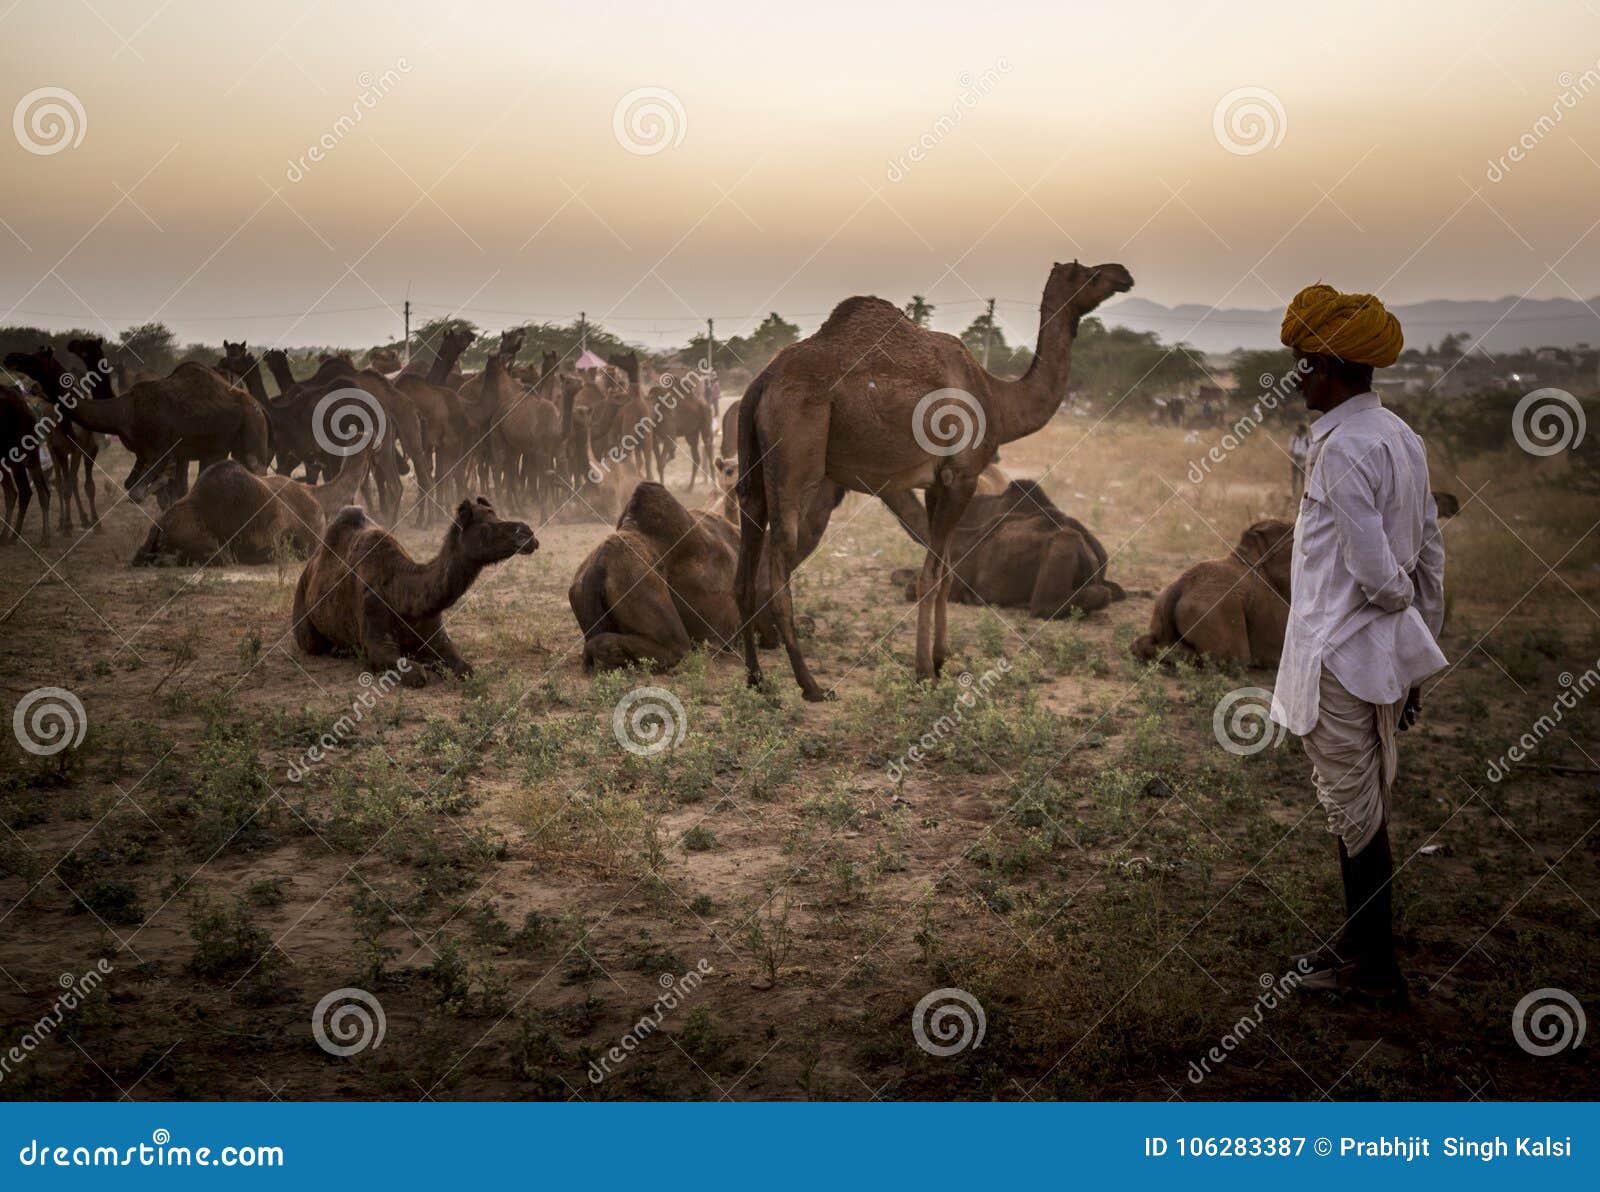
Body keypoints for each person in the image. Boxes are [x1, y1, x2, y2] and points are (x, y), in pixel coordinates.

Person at [1270, 283, 1446, 1006]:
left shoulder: (1341, 448)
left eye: (1306, 364)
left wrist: (1397, 600)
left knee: (1356, 812)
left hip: (1341, 657)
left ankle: (1377, 975)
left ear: (1335, 368)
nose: (1299, 378)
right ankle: (1359, 950)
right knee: (1365, 806)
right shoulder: (1401, 437)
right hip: (1381, 657)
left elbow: (1380, 568)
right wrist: (1417, 646)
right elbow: (1432, 551)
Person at [1288, 420, 1311, 500]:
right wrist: (1295, 456)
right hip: (1295, 461)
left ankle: (1303, 495)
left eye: (1298, 429)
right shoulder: (1293, 439)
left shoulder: (1307, 440)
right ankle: (1294, 494)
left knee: (1303, 480)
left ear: (1302, 430)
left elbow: (1310, 452)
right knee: (1294, 479)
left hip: (1304, 463)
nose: (1296, 431)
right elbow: (1290, 450)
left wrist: (1303, 456)